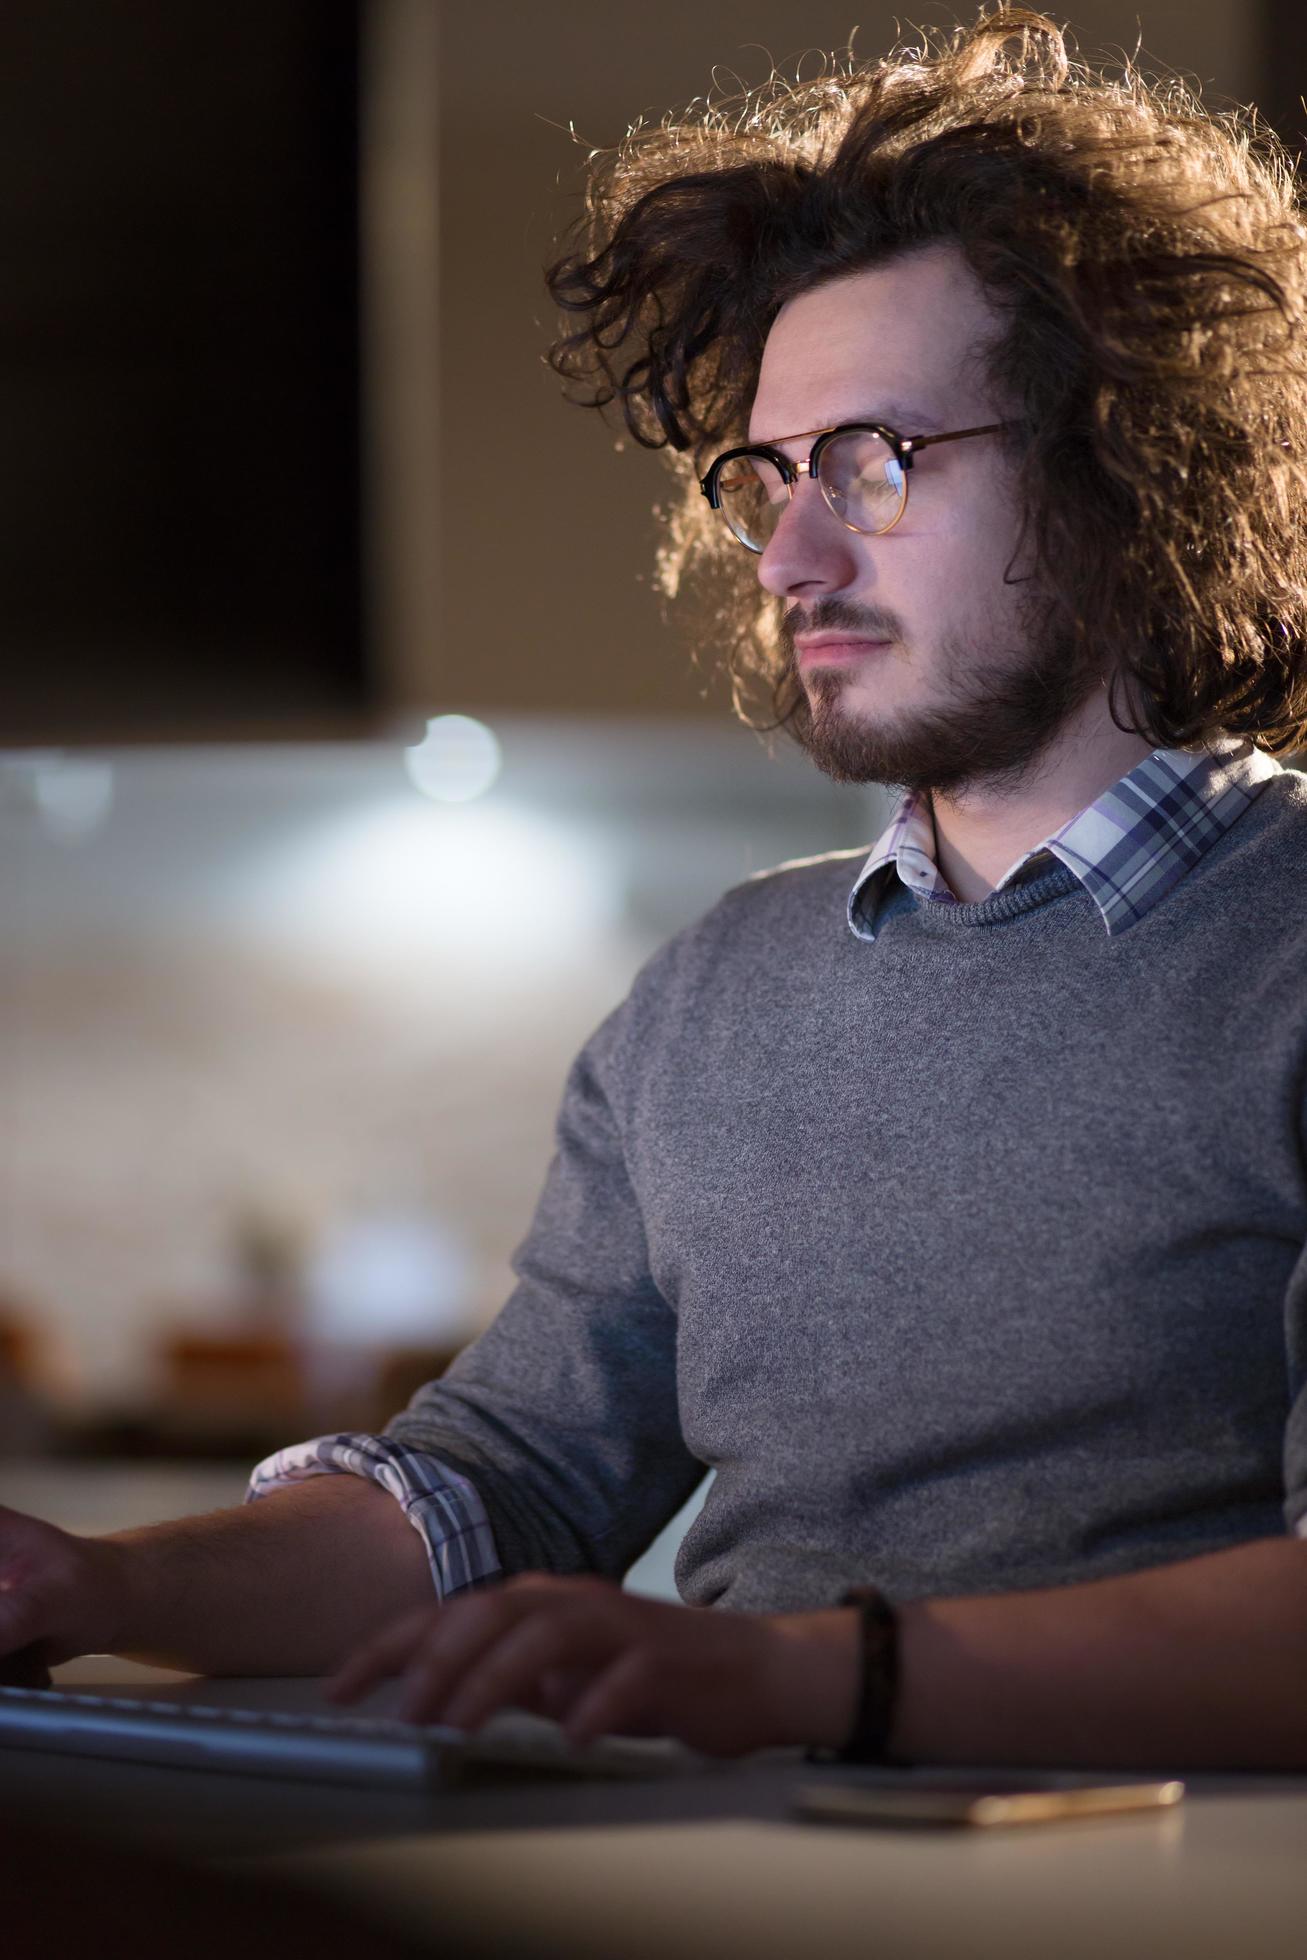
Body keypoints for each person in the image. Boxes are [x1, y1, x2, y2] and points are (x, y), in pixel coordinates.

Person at [4, 8, 1307, 1767]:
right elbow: (504, 1480)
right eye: (770, 475)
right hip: (743, 1878)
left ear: (1123, 462)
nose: (787, 555)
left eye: (873, 463)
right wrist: (103, 1592)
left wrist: (807, 1682)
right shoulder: (718, 989)